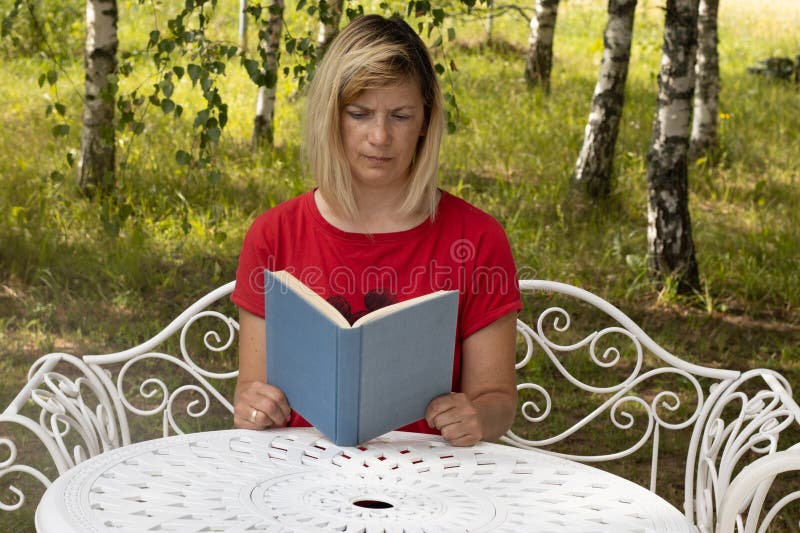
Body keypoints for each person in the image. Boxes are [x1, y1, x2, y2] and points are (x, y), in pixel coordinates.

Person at [231, 14, 521, 447]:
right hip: (301, 470)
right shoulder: (274, 235)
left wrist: (476, 415)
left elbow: (497, 400)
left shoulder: (477, 240)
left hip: (434, 473)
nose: (380, 136)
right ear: (331, 117)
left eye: (400, 116)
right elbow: (250, 393)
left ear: (425, 121)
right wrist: (254, 407)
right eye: (360, 114)